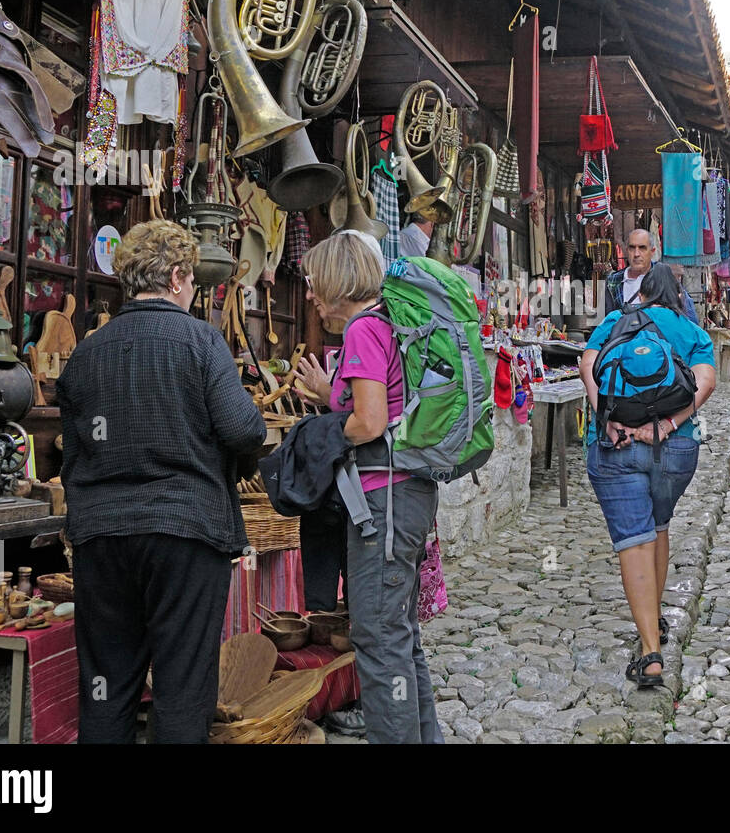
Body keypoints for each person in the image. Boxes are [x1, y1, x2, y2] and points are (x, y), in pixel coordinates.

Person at [57, 220, 267, 743]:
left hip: (102, 539)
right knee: (182, 688)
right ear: (176, 277)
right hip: (185, 535)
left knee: (107, 684)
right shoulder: (201, 341)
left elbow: (73, 455)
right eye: (193, 279)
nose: (194, 289)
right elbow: (244, 428)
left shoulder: (87, 352)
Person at [301, 230, 442, 744]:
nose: (311, 294)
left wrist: (316, 435)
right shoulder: (388, 321)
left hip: (383, 502)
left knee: (379, 643)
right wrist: (328, 393)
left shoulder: (363, 328)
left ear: (338, 281)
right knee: (402, 639)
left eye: (315, 283)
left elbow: (370, 422)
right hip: (408, 495)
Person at [580, 264, 716, 688]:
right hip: (674, 451)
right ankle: (652, 623)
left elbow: (588, 365)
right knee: (658, 526)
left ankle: (650, 651)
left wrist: (607, 419)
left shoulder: (614, 322)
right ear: (677, 294)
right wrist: (667, 426)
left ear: (640, 293)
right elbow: (705, 383)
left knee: (632, 539)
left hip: (614, 446)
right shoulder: (692, 331)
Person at [603, 228, 697, 321]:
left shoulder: (664, 278)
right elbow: (602, 321)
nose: (636, 254)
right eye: (632, 248)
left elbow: (690, 319)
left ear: (652, 251)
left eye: (642, 248)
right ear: (627, 251)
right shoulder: (613, 281)